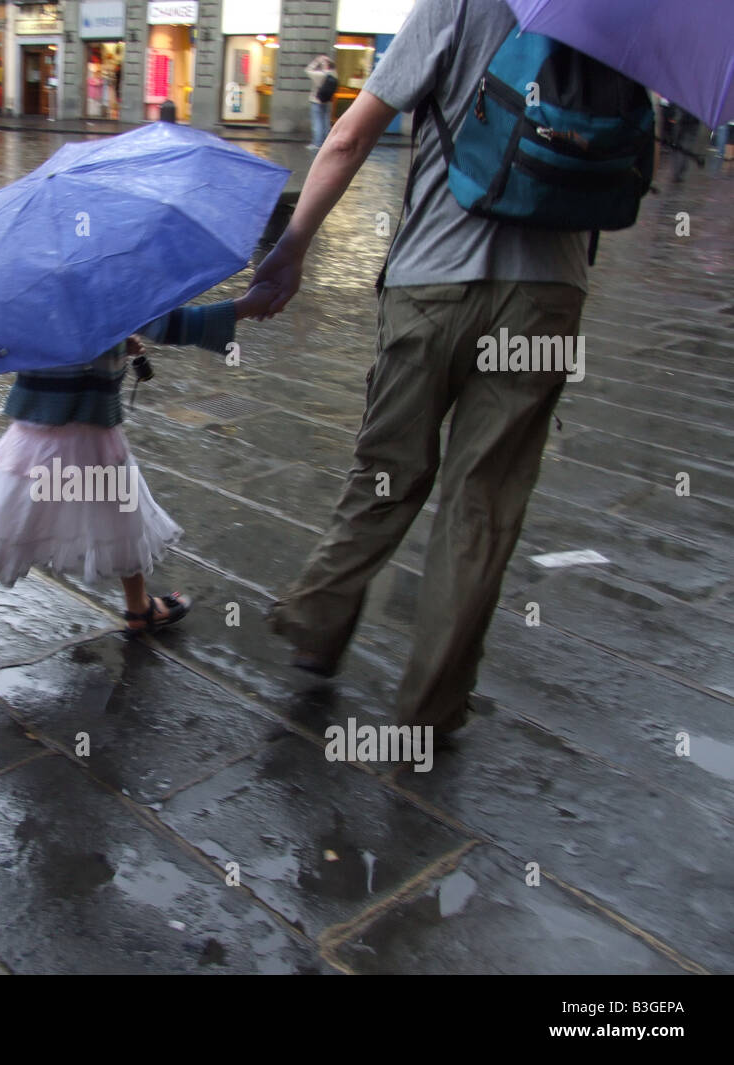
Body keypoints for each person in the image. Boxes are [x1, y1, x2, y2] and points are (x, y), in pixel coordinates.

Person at [254, 0, 600, 736]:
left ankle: (316, 619)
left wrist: (292, 246)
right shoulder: (619, 24)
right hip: (548, 295)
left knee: (386, 471)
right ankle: (433, 706)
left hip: (431, 282)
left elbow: (350, 137)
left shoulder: (461, 2)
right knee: (484, 506)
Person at [0, 287, 274, 670]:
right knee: (122, 516)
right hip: (89, 433)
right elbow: (169, 324)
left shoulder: (26, 291)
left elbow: (6, 347)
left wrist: (108, 345)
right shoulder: (108, 286)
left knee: (12, 524)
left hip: (33, 437)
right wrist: (245, 307)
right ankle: (138, 609)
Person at [306, 54, 336, 148]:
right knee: (325, 122)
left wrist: (317, 61)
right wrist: (328, 61)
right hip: (327, 101)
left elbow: (308, 70)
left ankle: (317, 143)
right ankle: (326, 143)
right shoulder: (333, 74)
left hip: (316, 100)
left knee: (317, 122)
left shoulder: (320, 75)